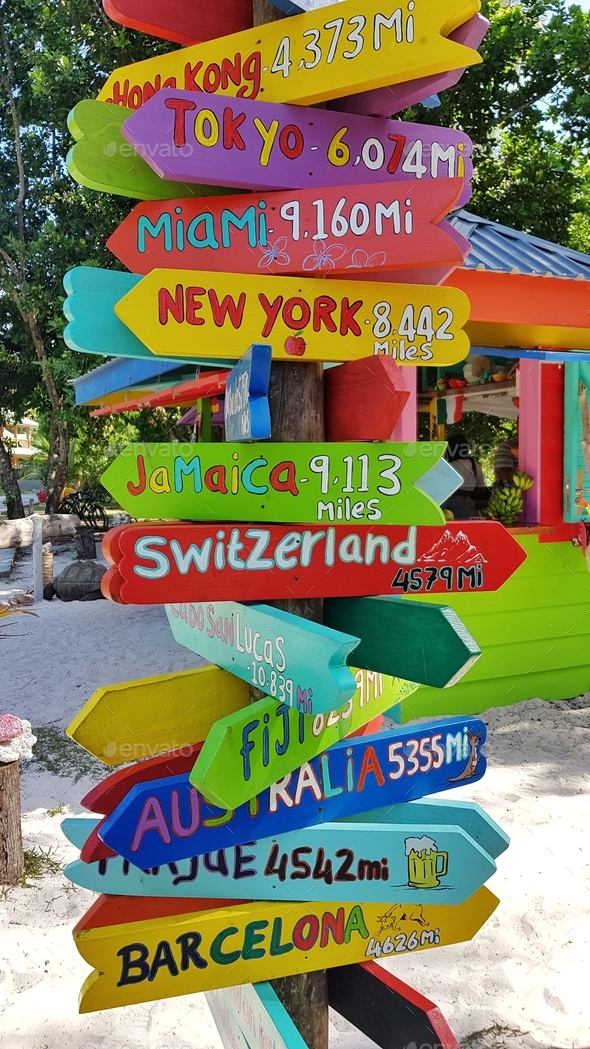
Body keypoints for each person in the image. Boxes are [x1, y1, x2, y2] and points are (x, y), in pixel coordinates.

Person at [442, 433, 487, 519]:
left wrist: (460, 492)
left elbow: (444, 489)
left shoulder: (451, 465)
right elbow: (481, 489)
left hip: (453, 505)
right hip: (470, 504)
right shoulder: (475, 465)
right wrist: (468, 492)